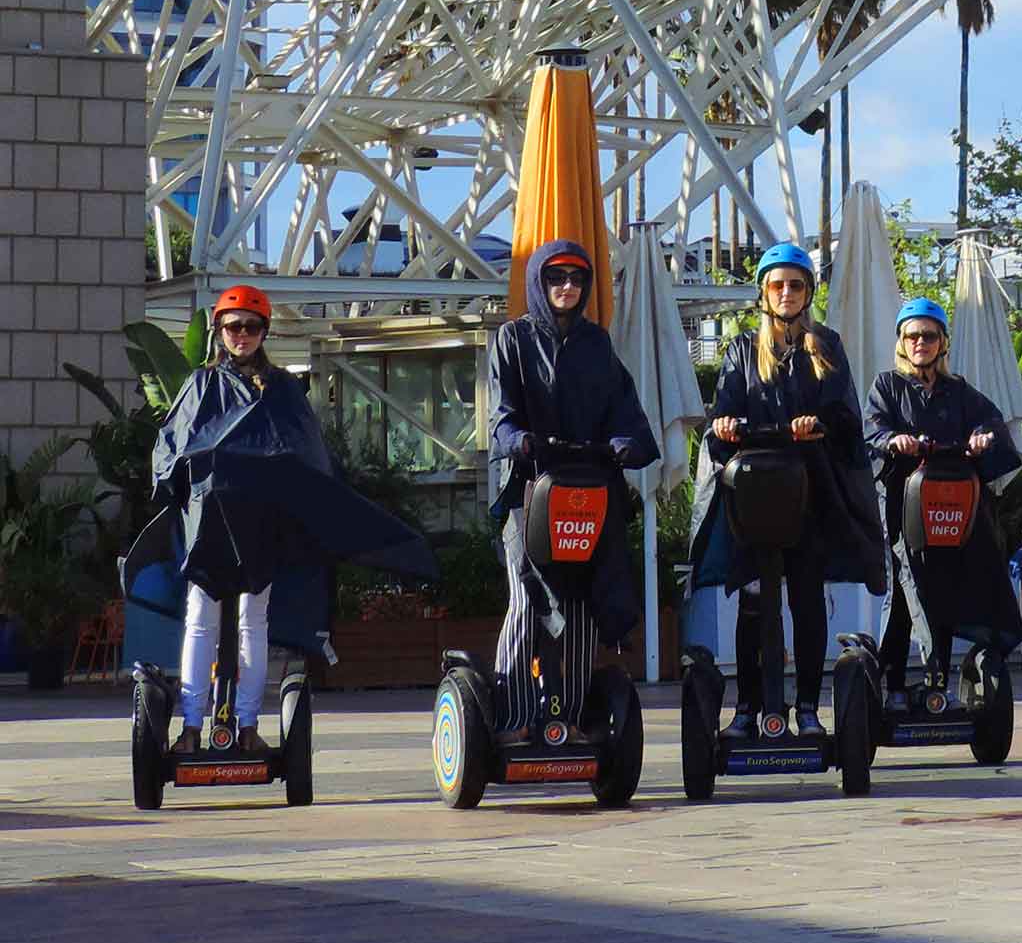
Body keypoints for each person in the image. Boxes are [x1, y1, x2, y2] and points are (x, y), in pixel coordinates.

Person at [133, 284, 435, 755]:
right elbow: (171, 447)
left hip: (259, 520)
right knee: (200, 618)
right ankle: (191, 729)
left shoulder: (281, 389)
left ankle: (248, 726)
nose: (242, 335)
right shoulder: (201, 384)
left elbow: (305, 453)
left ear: (263, 332)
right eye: (234, 327)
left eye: (252, 327)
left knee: (253, 620)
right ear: (220, 330)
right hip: (209, 518)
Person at [688, 243, 887, 738]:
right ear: (763, 292)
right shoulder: (740, 349)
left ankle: (805, 709)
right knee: (754, 598)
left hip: (809, 495)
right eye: (777, 284)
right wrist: (728, 424)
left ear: (807, 291)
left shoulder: (827, 345)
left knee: (805, 597)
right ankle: (747, 710)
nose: (786, 292)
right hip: (754, 497)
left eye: (795, 284)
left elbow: (846, 416)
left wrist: (817, 422)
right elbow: (722, 410)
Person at [488, 239, 659, 744]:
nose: (567, 286)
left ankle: (574, 717)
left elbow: (625, 409)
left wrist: (629, 445)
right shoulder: (512, 339)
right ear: (538, 283)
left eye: (577, 278)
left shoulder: (596, 343)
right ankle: (515, 717)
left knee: (583, 604)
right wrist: (517, 440)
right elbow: (500, 414)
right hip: (530, 496)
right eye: (556, 277)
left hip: (586, 493)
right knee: (528, 600)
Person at [865, 298, 1022, 711]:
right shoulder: (887, 386)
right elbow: (872, 432)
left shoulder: (959, 391)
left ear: (942, 342)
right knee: (906, 589)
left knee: (951, 583)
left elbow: (989, 423)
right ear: (901, 341)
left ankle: (942, 679)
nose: (921, 342)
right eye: (913, 335)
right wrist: (892, 441)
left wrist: (982, 438)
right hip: (903, 507)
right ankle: (896, 684)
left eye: (929, 335)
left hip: (952, 511)